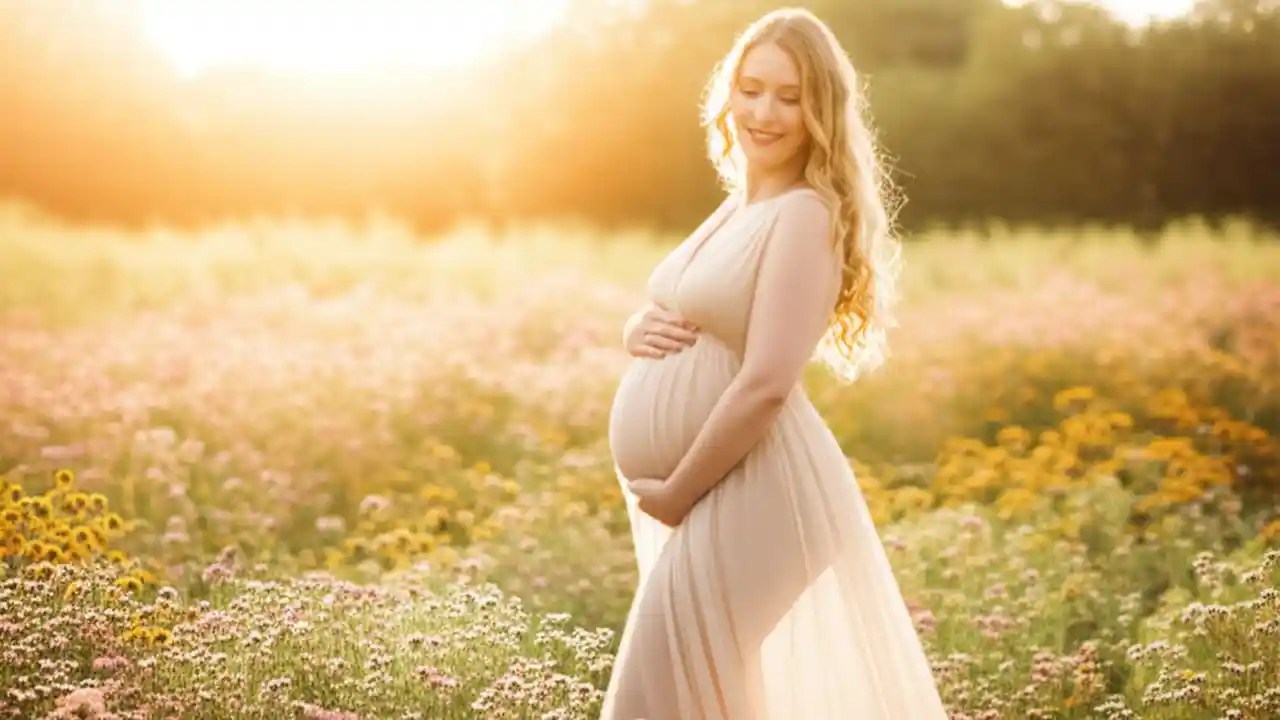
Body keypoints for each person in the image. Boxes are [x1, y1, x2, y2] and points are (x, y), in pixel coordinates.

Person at [600, 7, 948, 719]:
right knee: (707, 696)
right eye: (752, 88)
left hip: (755, 486)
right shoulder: (741, 206)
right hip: (720, 488)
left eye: (790, 97)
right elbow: (701, 313)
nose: (765, 111)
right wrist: (639, 328)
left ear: (820, 110)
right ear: (728, 92)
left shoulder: (805, 214)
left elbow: (765, 384)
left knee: (656, 694)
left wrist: (679, 491)